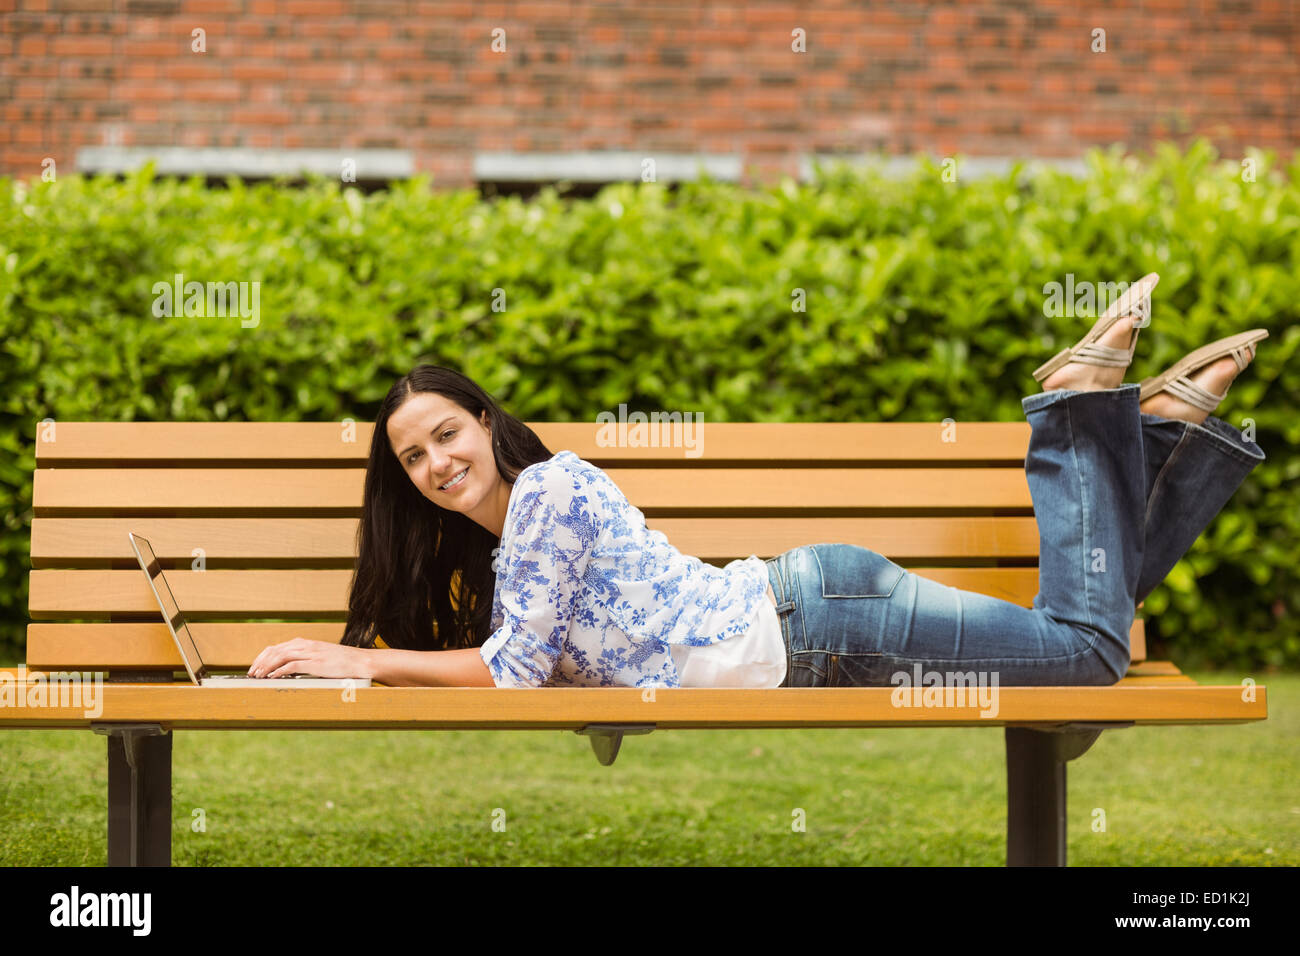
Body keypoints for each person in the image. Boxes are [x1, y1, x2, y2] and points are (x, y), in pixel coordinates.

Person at [246, 287, 1267, 689]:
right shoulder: (521, 540)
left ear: (486, 423)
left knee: (1089, 656)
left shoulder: (548, 491)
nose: (434, 463)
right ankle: (1169, 430)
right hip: (818, 628)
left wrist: (350, 661)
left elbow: (517, 669)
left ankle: (1078, 413)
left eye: (446, 433)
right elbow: (558, 655)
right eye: (413, 457)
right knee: (1084, 639)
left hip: (820, 622)